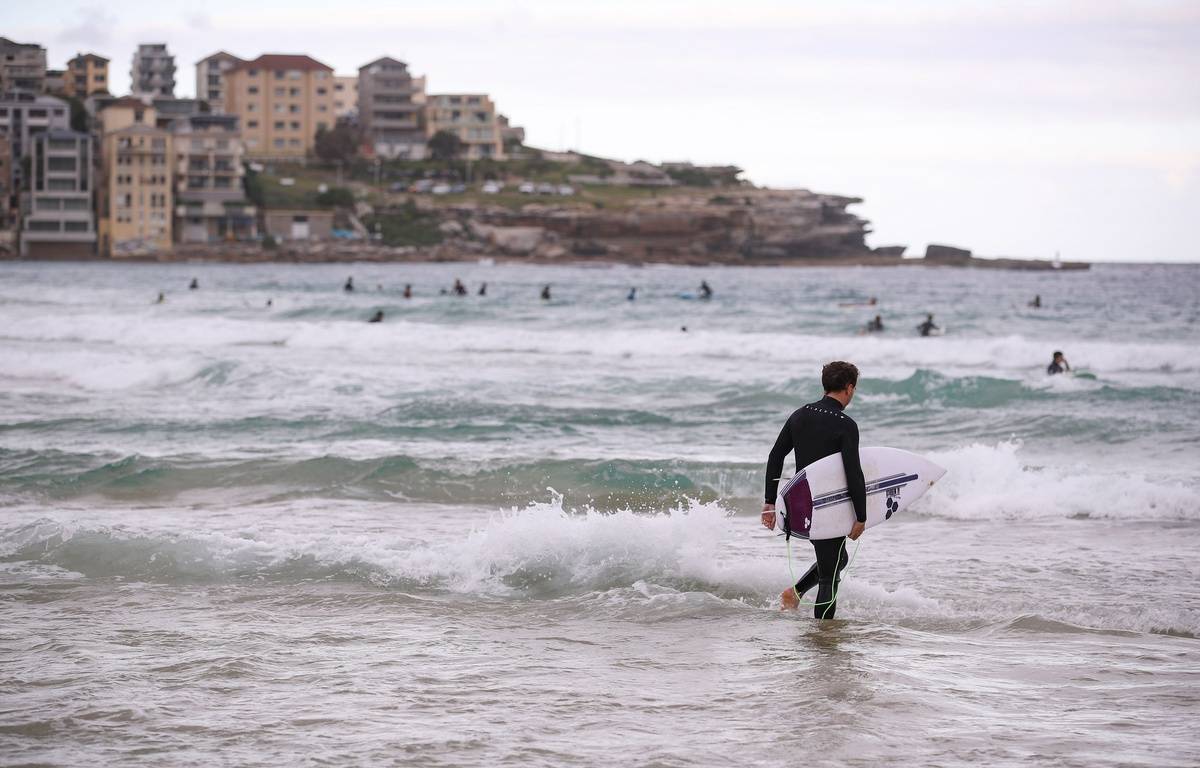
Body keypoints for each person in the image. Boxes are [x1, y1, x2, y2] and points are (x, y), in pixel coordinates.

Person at [761, 361, 867, 618]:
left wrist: (770, 501)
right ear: (849, 388)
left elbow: (776, 456)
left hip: (804, 504)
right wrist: (861, 515)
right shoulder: (845, 424)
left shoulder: (799, 415)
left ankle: (794, 593)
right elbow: (853, 472)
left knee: (837, 560)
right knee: (830, 576)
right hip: (830, 504)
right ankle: (823, 636)